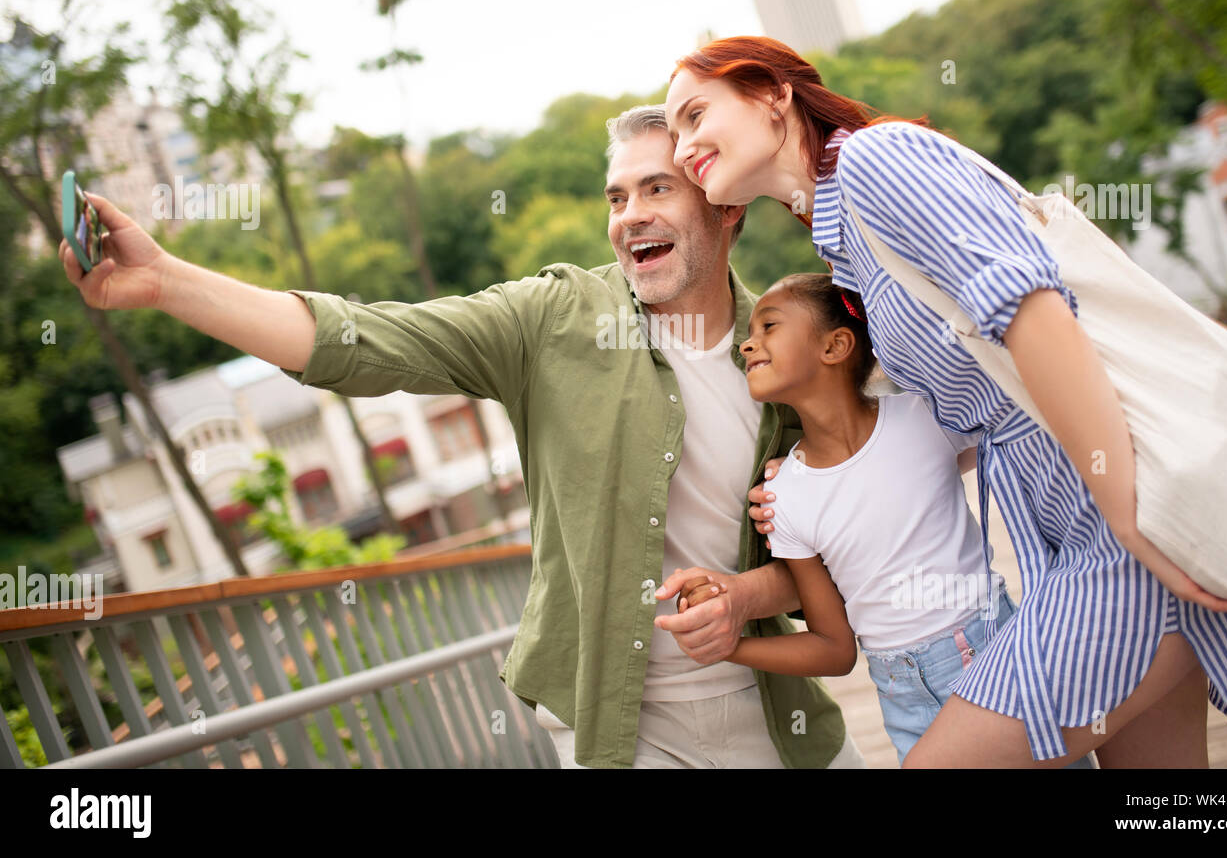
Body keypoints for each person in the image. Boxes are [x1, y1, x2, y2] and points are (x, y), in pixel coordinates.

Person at [58, 102, 866, 769]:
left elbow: (834, 550)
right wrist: (166, 282)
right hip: (619, 731)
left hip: (774, 710)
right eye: (617, 197)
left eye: (658, 189)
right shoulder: (553, 320)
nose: (630, 217)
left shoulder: (790, 355)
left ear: (724, 206)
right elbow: (363, 340)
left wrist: (749, 596)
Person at [663, 35, 1227, 768]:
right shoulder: (843, 241)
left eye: (694, 114)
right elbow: (977, 407)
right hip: (1073, 531)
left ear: (773, 95)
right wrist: (825, 477)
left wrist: (1132, 514)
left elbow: (1031, 308)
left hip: (1118, 524)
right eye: (673, 132)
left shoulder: (876, 162)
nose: (682, 146)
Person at [680, 271, 1095, 767]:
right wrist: (729, 648)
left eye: (768, 326)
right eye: (750, 334)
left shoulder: (925, 417)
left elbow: (1014, 404)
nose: (748, 345)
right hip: (906, 699)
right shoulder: (783, 498)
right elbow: (835, 649)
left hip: (999, 653)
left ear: (835, 346)